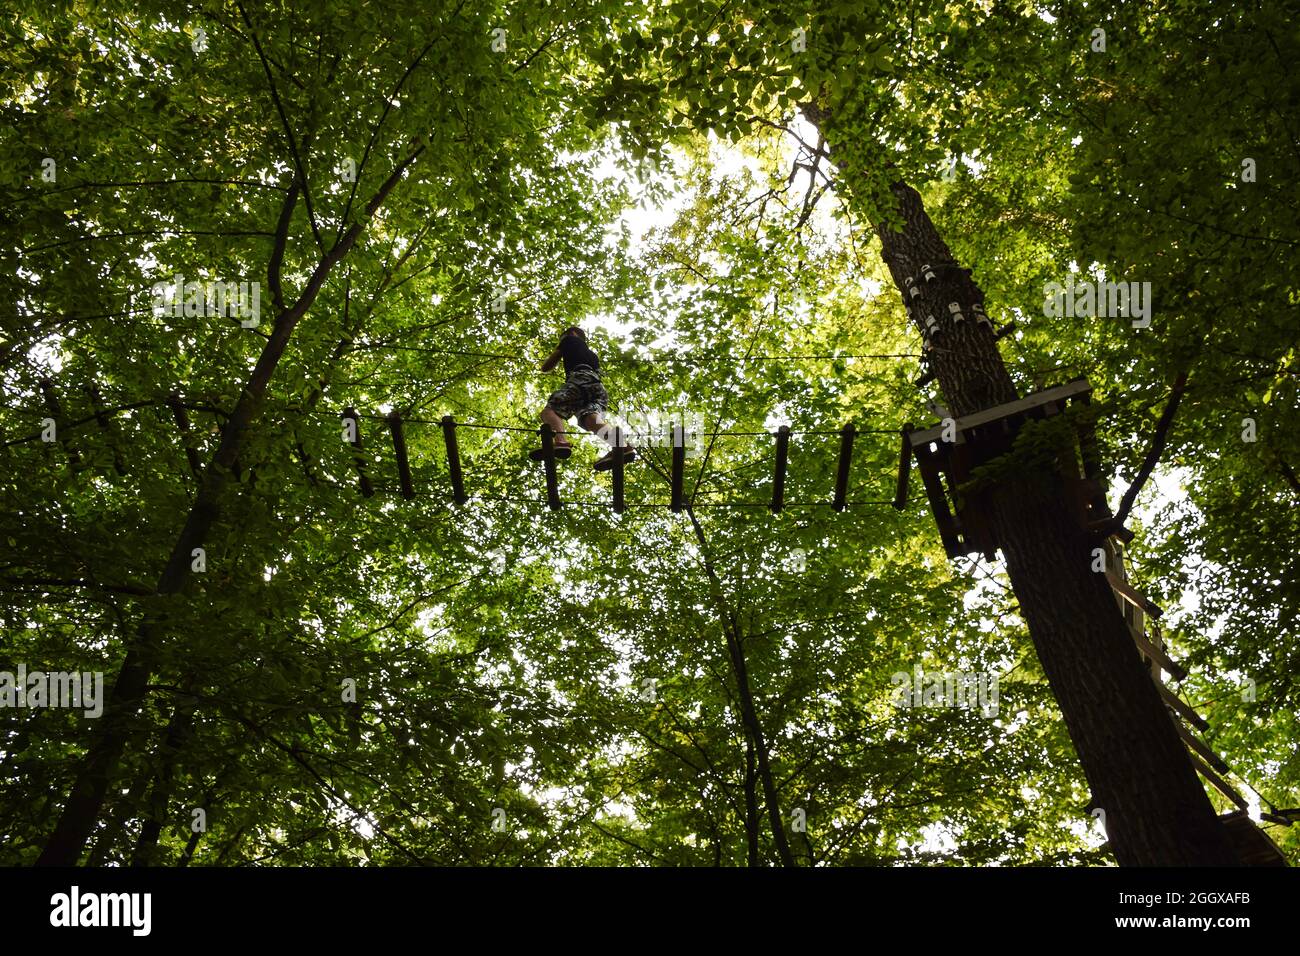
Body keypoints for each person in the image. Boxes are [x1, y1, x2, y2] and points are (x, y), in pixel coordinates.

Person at [531, 326, 635, 471]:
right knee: (590, 419)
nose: (561, 340)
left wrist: (561, 347)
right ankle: (622, 446)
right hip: (597, 388)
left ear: (572, 333)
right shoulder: (592, 355)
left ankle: (561, 442)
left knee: (550, 411)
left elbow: (546, 367)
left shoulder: (569, 339)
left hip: (580, 379)